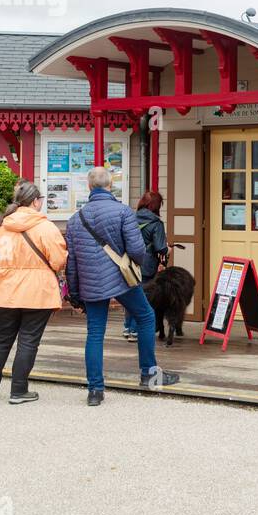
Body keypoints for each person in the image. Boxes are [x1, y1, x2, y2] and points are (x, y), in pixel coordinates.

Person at [66, 167, 179, 406]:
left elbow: (72, 262)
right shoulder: (123, 212)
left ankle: (95, 390)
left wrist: (75, 295)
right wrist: (134, 263)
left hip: (91, 282)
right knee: (146, 316)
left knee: (95, 333)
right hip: (120, 279)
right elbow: (137, 249)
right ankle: (148, 374)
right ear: (110, 186)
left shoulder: (76, 220)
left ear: (89, 187)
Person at [0, 181, 68, 405]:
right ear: (35, 201)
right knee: (28, 341)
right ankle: (18, 390)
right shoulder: (45, 227)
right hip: (38, 292)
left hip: (2, 290)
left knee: (0, 340)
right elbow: (58, 261)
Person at [130, 190, 168, 341]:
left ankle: (129, 328)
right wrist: (168, 249)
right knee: (144, 297)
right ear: (156, 206)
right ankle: (137, 330)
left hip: (130, 262)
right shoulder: (156, 223)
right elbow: (160, 247)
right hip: (147, 264)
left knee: (131, 294)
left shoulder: (130, 218)